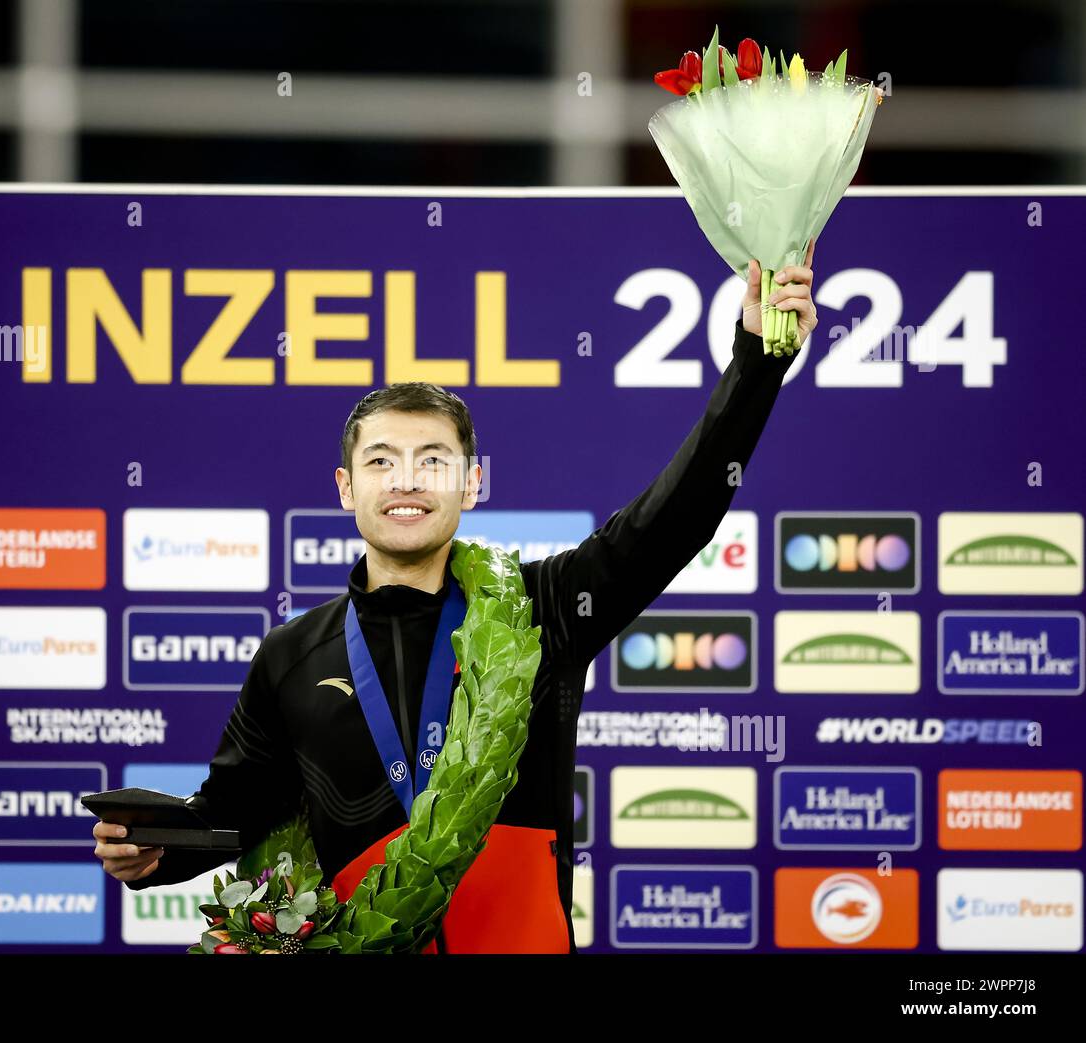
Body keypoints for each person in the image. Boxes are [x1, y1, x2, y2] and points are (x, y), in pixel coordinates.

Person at [94, 245, 819, 953]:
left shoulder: (546, 609)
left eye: (433, 460)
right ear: (346, 489)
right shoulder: (292, 654)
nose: (406, 481)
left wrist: (757, 360)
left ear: (473, 484)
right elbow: (235, 814)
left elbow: (675, 516)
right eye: (380, 461)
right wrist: (157, 851)